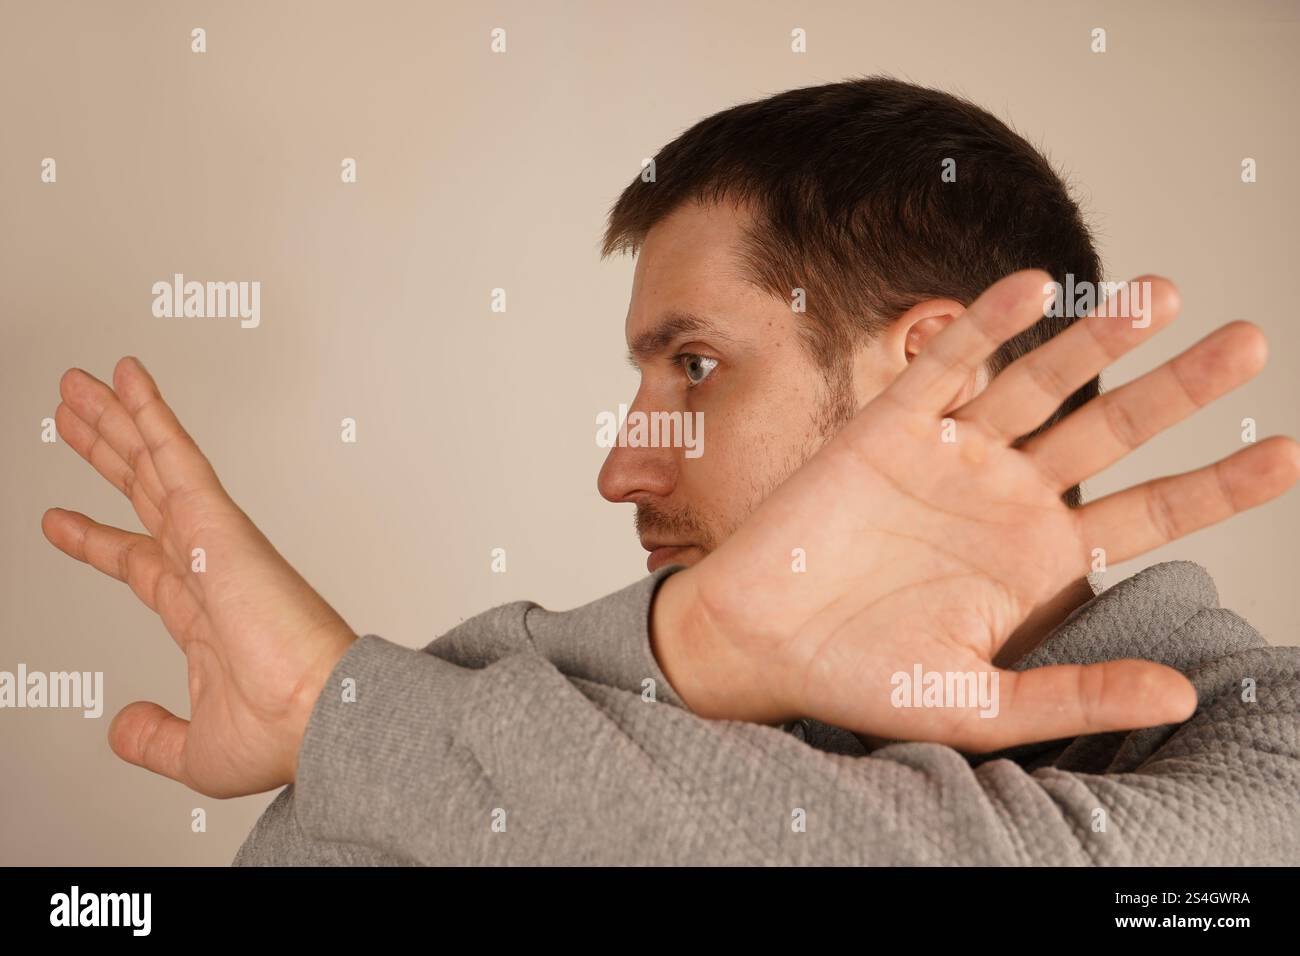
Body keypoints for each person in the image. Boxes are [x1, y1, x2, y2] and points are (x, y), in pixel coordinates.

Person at [42, 79, 1300, 864]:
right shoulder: (652, 709)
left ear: (941, 376)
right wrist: (689, 657)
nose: (620, 467)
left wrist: (341, 708)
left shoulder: (1272, 739)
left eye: (694, 365)